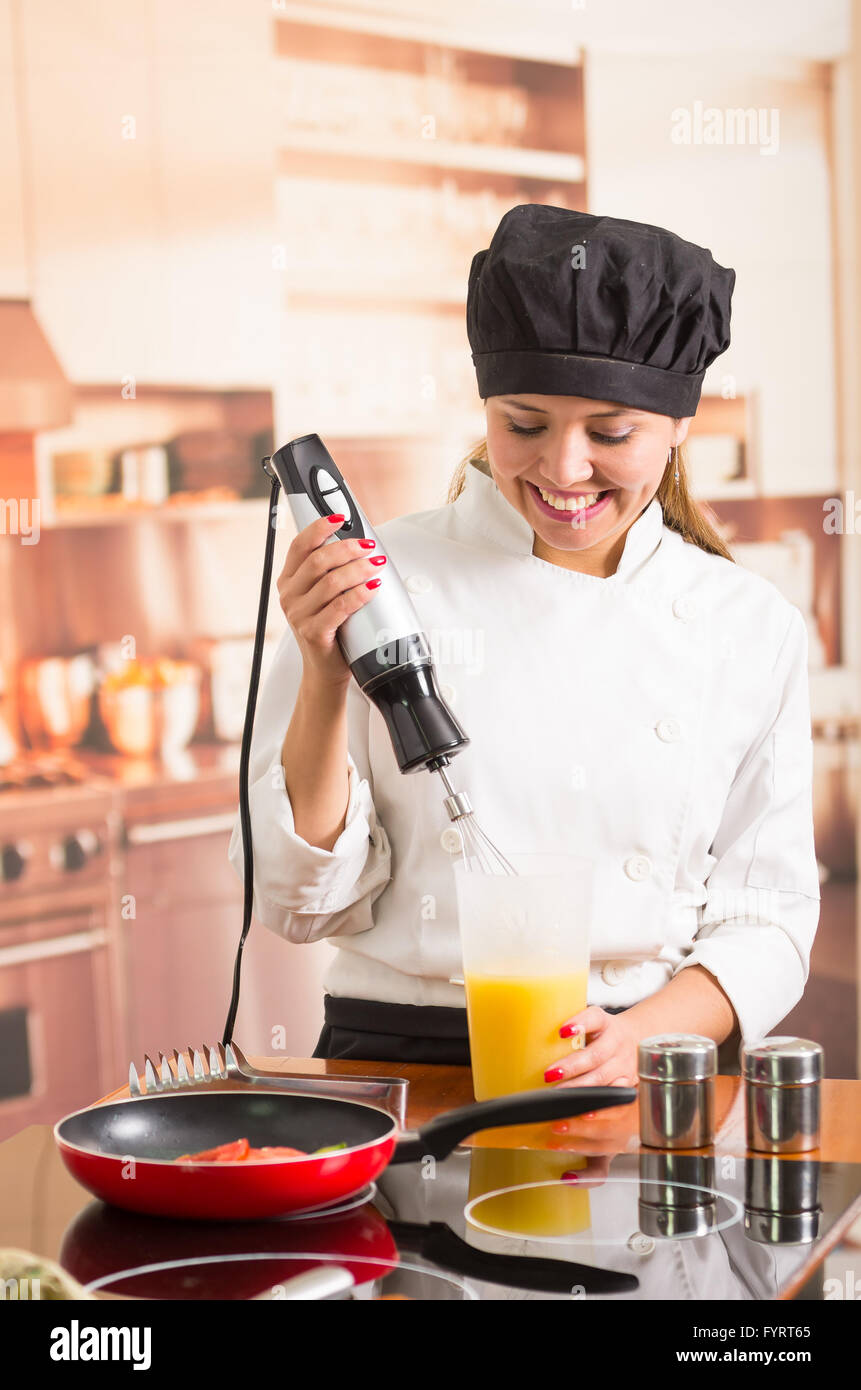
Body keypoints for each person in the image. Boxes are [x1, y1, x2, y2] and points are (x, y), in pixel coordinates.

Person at [229, 204, 820, 1085]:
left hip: (636, 1066)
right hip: (394, 1071)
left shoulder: (746, 622)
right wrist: (323, 669)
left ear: (678, 424)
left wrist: (643, 1037)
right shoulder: (380, 581)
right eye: (524, 424)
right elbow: (299, 904)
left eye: (611, 434)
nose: (562, 469)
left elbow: (767, 916)